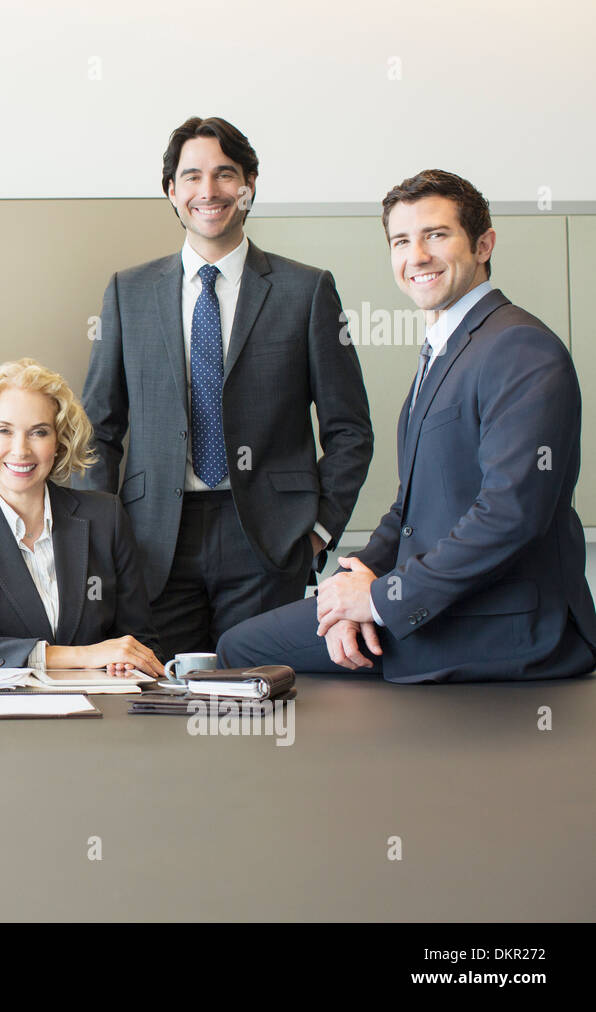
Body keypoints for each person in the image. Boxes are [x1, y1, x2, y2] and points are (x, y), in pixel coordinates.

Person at [218, 169, 596, 683]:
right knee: (246, 642)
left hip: (499, 625)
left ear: (483, 244)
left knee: (244, 649)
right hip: (436, 603)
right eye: (401, 241)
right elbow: (410, 508)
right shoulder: (445, 348)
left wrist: (378, 600)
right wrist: (350, 588)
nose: (416, 256)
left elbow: (512, 513)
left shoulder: (518, 347)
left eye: (436, 235)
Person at [76, 116, 373, 662]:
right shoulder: (128, 292)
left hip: (268, 538)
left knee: (258, 693)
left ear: (249, 185)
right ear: (171, 190)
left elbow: (349, 428)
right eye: (191, 176)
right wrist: (107, 537)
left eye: (224, 174)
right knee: (162, 696)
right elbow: (98, 430)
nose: (208, 190)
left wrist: (317, 530)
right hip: (154, 540)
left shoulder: (306, 290)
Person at [0, 359, 165, 677]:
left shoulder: (107, 518)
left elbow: (140, 643)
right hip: (2, 706)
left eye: (39, 432)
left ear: (59, 441)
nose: (21, 450)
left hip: (98, 701)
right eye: (4, 430)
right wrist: (79, 656)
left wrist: (124, 662)